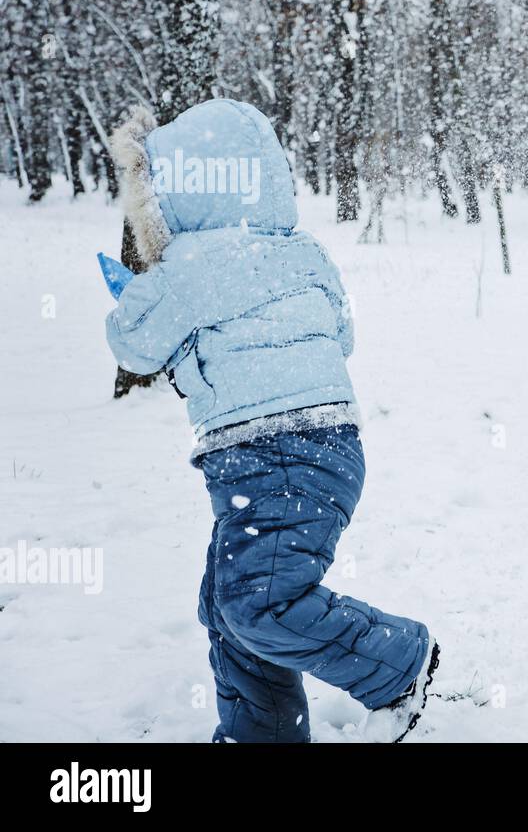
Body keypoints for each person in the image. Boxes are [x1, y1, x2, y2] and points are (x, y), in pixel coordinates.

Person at [103, 98, 439, 743]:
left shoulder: (183, 271)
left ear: (173, 195)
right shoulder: (302, 251)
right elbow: (339, 335)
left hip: (268, 452)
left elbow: (134, 349)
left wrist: (135, 294)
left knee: (259, 604)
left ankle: (401, 662)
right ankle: (260, 736)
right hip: (326, 444)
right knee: (232, 607)